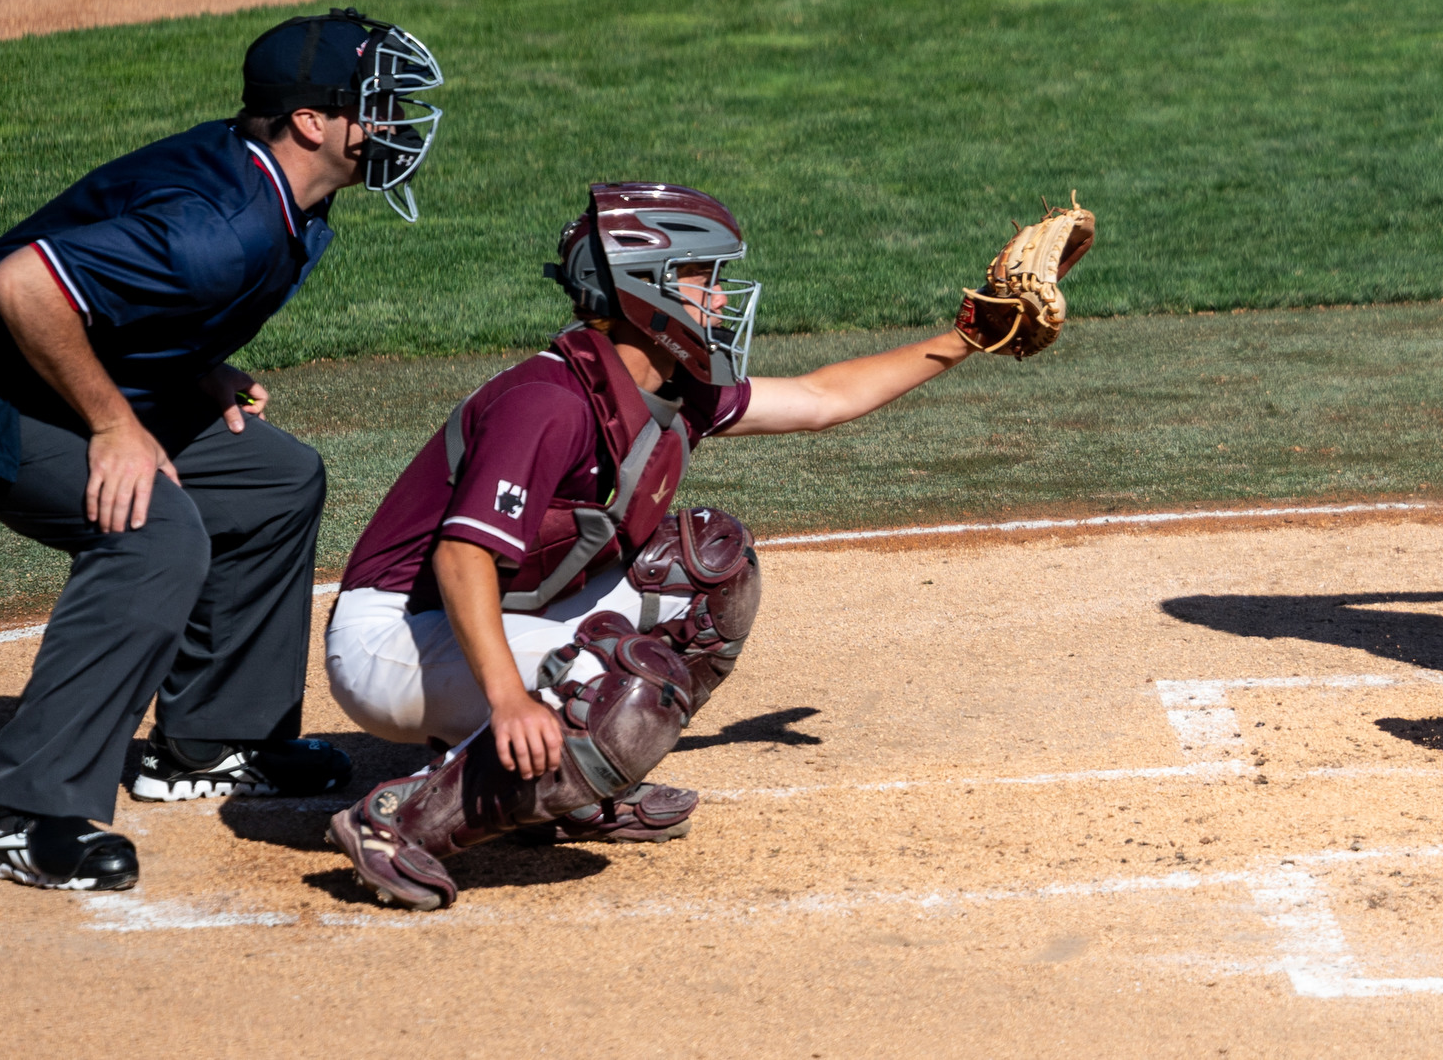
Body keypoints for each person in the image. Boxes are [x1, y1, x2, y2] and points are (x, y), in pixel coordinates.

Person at [322, 186, 1090, 909]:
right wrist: (508, 698)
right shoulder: (547, 402)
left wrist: (967, 336)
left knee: (709, 566)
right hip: (395, 637)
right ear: (644, 287)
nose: (720, 298)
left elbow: (823, 398)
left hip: (497, 610)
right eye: (702, 280)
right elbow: (462, 559)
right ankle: (399, 819)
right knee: (619, 684)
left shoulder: (667, 387)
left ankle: (575, 792)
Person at [0, 11, 444, 892]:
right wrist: (116, 426)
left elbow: (131, 297)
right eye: (378, 105)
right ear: (311, 122)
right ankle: (17, 817)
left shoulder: (277, 194)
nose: (398, 125)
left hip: (45, 368)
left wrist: (194, 371)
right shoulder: (223, 225)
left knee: (273, 478)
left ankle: (212, 743)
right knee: (152, 531)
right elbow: (25, 286)